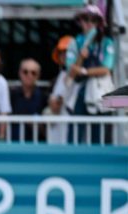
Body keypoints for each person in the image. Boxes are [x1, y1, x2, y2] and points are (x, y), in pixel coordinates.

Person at [64, 4, 117, 145]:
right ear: (80, 21)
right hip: (80, 91)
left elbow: (106, 68)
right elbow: (71, 70)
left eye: (93, 20)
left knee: (101, 133)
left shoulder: (107, 42)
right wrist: (82, 55)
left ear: (99, 23)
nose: (89, 24)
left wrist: (84, 71)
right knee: (75, 133)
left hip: (101, 91)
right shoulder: (75, 42)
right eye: (86, 19)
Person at [6, 58, 45, 143]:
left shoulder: (44, 97)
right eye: (25, 72)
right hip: (13, 145)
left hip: (37, 146)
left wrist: (37, 125)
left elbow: (47, 129)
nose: (29, 75)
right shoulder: (10, 95)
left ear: (38, 75)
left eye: (33, 73)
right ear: (19, 73)